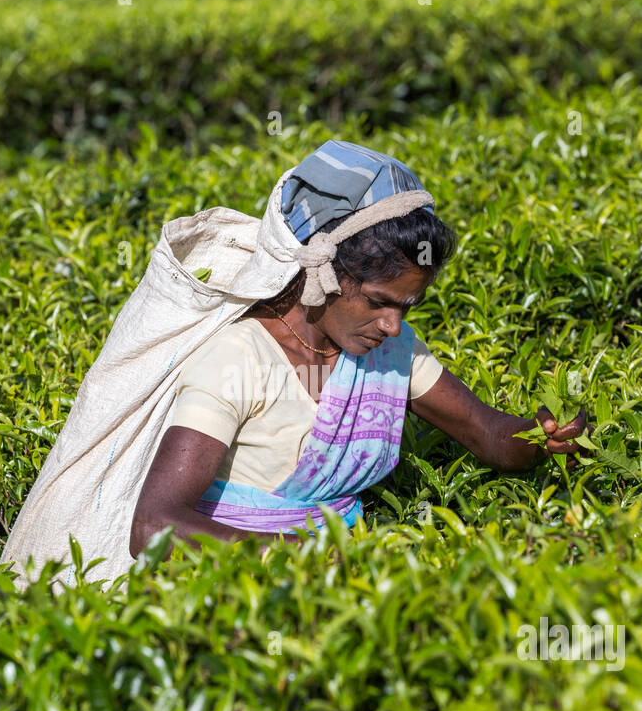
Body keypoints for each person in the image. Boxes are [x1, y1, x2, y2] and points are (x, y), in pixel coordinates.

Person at [128, 139, 587, 559]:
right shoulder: (238, 357)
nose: (392, 326)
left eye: (407, 307)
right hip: (228, 592)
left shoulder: (392, 352)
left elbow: (487, 433)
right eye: (377, 302)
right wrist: (308, 555)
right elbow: (153, 526)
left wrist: (540, 436)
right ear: (323, 272)